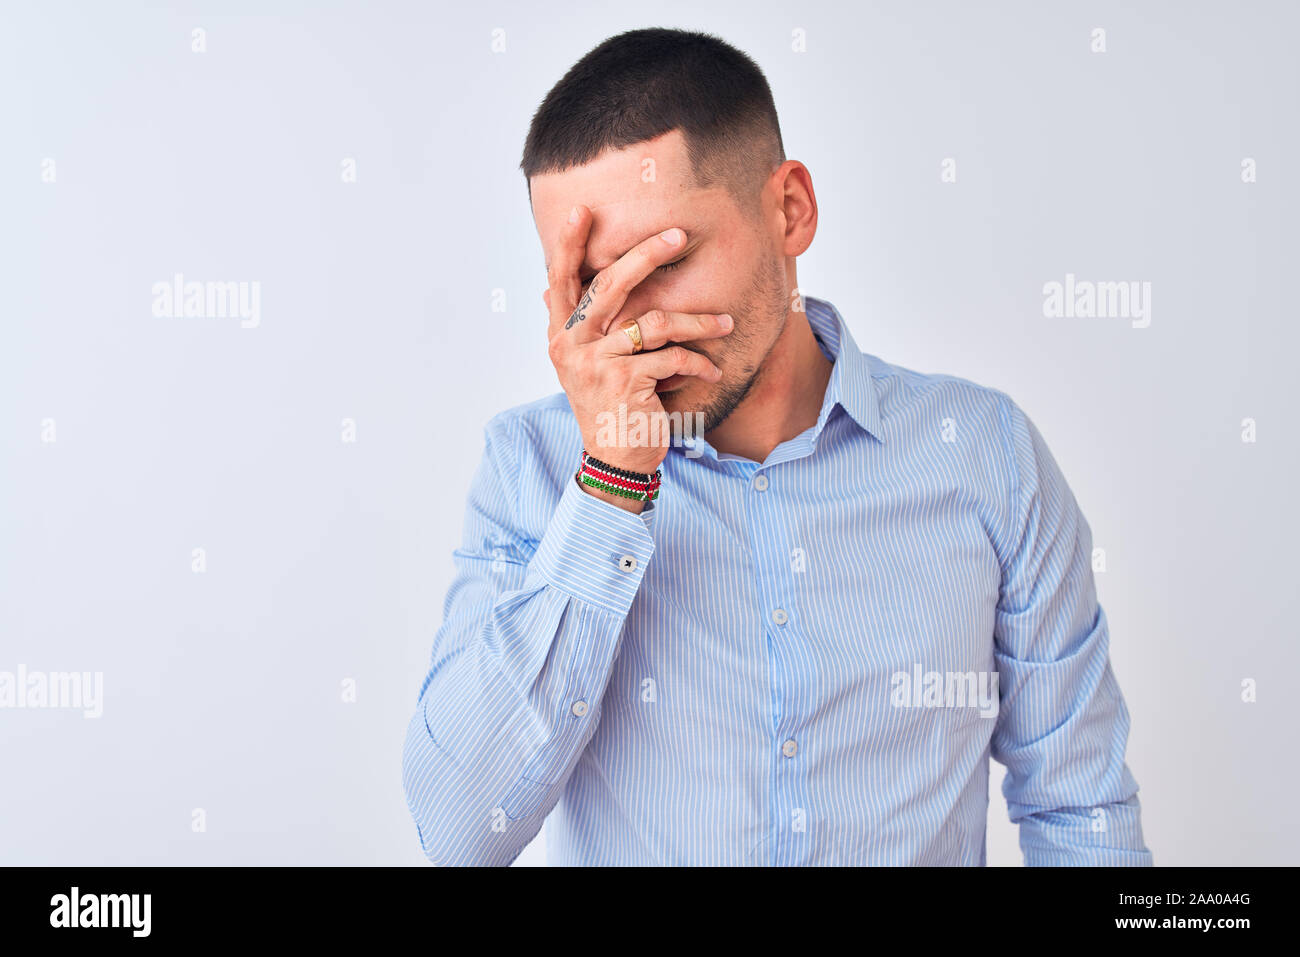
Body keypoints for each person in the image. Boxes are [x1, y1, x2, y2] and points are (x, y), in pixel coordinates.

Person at [401, 27, 1153, 866]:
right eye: (592, 284)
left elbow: (1080, 811)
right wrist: (610, 483)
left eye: (665, 260)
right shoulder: (531, 468)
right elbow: (462, 832)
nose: (636, 326)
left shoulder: (984, 454)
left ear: (789, 209)